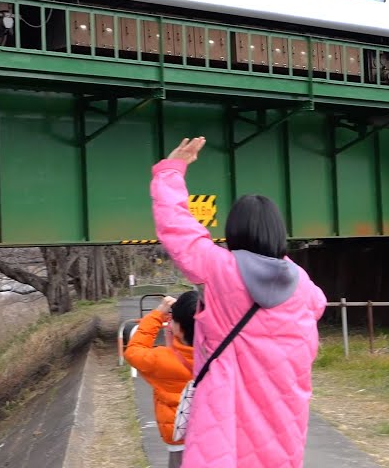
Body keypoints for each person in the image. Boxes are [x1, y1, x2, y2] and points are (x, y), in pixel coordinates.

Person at [150, 137, 327, 468]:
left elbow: (177, 227)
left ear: (233, 232)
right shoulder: (303, 284)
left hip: (224, 411)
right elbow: (318, 305)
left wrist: (171, 171)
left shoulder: (220, 270)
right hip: (284, 414)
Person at [123, 291, 199, 468]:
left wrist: (158, 314)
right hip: (218, 434)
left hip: (180, 438)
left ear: (178, 328)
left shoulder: (162, 360)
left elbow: (134, 350)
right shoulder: (223, 357)